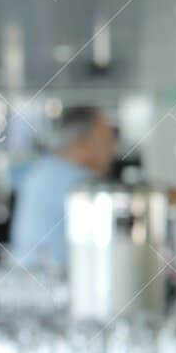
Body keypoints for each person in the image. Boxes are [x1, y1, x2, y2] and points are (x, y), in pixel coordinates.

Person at [10, 105, 115, 268]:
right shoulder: (82, 183)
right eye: (106, 141)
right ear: (80, 143)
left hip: (23, 275)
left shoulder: (39, 171)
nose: (112, 150)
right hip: (57, 279)